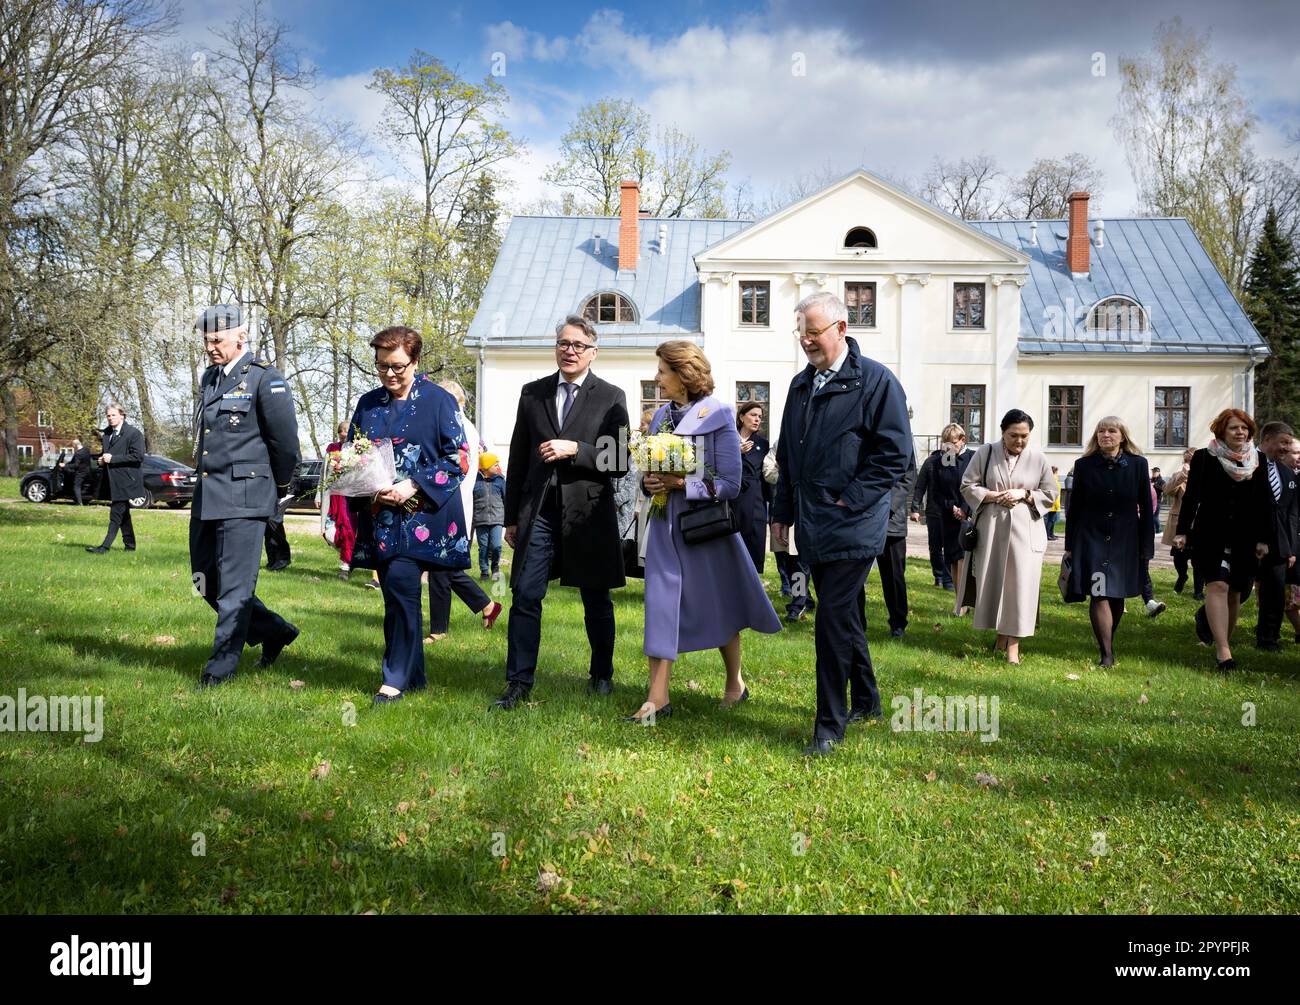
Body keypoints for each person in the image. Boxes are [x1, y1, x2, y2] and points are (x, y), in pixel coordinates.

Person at [771, 291, 913, 757]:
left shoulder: (876, 383)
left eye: (814, 331)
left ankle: (828, 726)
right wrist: (781, 516)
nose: (807, 340)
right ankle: (868, 698)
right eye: (802, 332)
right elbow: (788, 457)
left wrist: (849, 500)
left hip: (854, 525)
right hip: (813, 523)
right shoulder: (799, 386)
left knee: (831, 619)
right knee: (845, 612)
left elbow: (895, 454)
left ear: (842, 328)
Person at [627, 341, 782, 723]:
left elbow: (730, 482)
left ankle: (735, 683)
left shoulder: (719, 415)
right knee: (660, 604)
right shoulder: (661, 415)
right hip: (664, 527)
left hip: (704, 529)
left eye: (663, 371)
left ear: (684, 374)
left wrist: (681, 484)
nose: (657, 377)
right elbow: (651, 469)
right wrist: (652, 481)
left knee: (720, 606)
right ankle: (657, 697)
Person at [498, 314, 629, 710]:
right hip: (538, 511)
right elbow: (517, 456)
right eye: (563, 344)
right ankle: (518, 683)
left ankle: (601, 675)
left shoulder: (611, 396)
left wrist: (577, 450)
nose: (569, 351)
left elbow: (620, 458)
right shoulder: (532, 394)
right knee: (525, 594)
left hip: (586, 513)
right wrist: (510, 516)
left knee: (596, 597)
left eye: (578, 346)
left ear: (593, 352)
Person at [346, 326, 472, 702]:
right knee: (396, 595)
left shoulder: (438, 401)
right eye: (382, 366)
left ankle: (394, 679)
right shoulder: (368, 405)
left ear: (415, 362)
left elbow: (459, 457)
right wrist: (365, 485)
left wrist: (412, 485)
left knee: (401, 588)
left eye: (398, 366)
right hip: (381, 516)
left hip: (423, 515)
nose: (389, 374)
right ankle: (414, 677)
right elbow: (353, 456)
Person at [188, 305, 301, 688]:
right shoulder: (210, 378)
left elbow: (285, 445)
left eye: (217, 339)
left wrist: (280, 491)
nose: (210, 347)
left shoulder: (266, 380)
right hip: (209, 494)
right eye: (206, 340)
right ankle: (274, 630)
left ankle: (219, 669)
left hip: (246, 497)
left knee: (236, 589)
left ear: (241, 336)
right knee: (203, 579)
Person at [955, 409, 1057, 665]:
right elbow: (967, 485)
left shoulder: (1038, 459)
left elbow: (1051, 493)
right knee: (997, 584)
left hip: (1027, 533)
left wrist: (1024, 495)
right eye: (1014, 436)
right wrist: (992, 496)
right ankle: (1001, 638)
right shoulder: (985, 452)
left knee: (1019, 587)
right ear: (1003, 432)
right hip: (992, 532)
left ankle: (1013, 648)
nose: (1019, 441)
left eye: (1024, 436)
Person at [1173, 408, 1273, 671]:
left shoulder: (1258, 459)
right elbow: (1192, 496)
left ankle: (1223, 640)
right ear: (1221, 431)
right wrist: (1182, 531)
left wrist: (1264, 538)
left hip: (1246, 535)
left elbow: (1265, 502)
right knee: (1217, 585)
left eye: (1244, 428)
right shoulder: (1204, 458)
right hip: (1210, 533)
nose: (1240, 432)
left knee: (1236, 592)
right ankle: (1223, 651)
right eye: (1233, 428)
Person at [1061, 417, 1154, 666]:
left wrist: (1146, 546)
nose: (1106, 435)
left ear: (1122, 436)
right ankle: (1107, 654)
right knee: (1099, 592)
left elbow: (1146, 507)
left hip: (1125, 538)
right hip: (1091, 537)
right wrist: (1070, 545)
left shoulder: (1138, 465)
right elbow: (1075, 507)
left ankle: (1107, 639)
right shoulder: (1084, 466)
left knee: (1117, 594)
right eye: (1101, 431)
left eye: (1112, 431)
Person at [423, 379, 503, 644]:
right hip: (452, 506)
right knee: (443, 569)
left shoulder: (458, 426)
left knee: (441, 569)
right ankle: (487, 607)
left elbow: (458, 468)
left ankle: (440, 629)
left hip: (452, 508)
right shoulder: (462, 425)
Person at [910, 423, 973, 591]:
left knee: (961, 555)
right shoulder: (945, 459)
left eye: (951, 443)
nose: (947, 447)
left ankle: (962, 599)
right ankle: (945, 581)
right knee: (947, 552)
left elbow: (975, 486)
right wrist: (952, 506)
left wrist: (964, 509)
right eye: (945, 443)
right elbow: (939, 487)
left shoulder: (973, 458)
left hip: (968, 514)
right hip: (946, 512)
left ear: (962, 440)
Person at [1253, 421, 1298, 652]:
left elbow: (1291, 513)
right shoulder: (1248, 465)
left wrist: (1291, 548)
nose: (1287, 448)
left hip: (1279, 545)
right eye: (1283, 442)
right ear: (1268, 439)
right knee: (1236, 591)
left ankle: (1268, 639)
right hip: (1250, 541)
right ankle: (1207, 622)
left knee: (1275, 594)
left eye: (1289, 443)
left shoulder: (1287, 472)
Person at [870, 449, 918, 638]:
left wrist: (887, 507)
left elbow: (908, 476)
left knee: (894, 574)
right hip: (858, 516)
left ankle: (898, 622)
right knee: (854, 573)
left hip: (891, 519)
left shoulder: (899, 434)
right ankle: (856, 621)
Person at [764, 444, 816, 621]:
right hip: (787, 509)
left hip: (809, 510)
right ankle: (803, 598)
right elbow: (768, 472)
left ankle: (800, 602)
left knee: (801, 563)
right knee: (792, 562)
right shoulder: (782, 443)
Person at [86, 404, 145, 554]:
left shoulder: (134, 433)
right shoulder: (107, 434)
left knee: (116, 513)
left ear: (122, 416)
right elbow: (107, 455)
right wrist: (102, 460)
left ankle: (104, 547)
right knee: (123, 514)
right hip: (112, 480)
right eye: (108, 416)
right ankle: (130, 546)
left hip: (126, 480)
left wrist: (113, 459)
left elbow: (138, 457)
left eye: (113, 415)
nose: (111, 418)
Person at [734, 401, 772, 574]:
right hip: (732, 499)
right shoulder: (727, 440)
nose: (757, 420)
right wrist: (736, 453)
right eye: (753, 415)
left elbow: (766, 474)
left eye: (760, 417)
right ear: (741, 417)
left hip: (755, 500)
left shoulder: (763, 444)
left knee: (754, 545)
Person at [1161, 447, 1202, 599]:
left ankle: (1198, 591)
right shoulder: (1178, 476)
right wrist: (1183, 475)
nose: (1188, 463)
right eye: (1186, 461)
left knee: (1199, 558)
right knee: (1179, 558)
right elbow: (1167, 491)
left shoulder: (1206, 475)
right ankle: (1182, 576)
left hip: (1199, 523)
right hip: (1181, 523)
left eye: (1191, 461)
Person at [322, 421, 358, 581]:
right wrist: (319, 495)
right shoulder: (331, 449)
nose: (344, 433)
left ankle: (345, 566)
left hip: (349, 497)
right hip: (332, 496)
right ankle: (351, 555)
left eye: (347, 431)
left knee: (348, 531)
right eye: (342, 431)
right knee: (328, 533)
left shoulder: (356, 449)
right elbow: (324, 474)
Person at [472, 452, 506, 580]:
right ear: (486, 467)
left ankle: (495, 567)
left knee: (496, 546)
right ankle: (484, 572)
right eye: (495, 465)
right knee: (483, 548)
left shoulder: (500, 481)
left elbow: (506, 499)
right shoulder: (475, 481)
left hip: (497, 518)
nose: (498, 467)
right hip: (480, 519)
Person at [62, 439, 92, 505]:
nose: (73, 447)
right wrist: (67, 464)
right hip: (88, 471)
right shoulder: (86, 450)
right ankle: (84, 500)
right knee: (85, 486)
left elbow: (76, 465)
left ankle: (79, 503)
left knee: (76, 487)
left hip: (80, 472)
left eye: (73, 445)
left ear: (75, 445)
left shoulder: (78, 453)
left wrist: (65, 465)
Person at [1044, 466, 1062, 540]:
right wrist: (1057, 505)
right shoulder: (1055, 481)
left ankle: (1051, 534)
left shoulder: (1050, 480)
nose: (1058, 474)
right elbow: (1056, 495)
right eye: (1057, 472)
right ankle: (1048, 535)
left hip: (1052, 504)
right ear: (1054, 472)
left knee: (1051, 520)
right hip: (1054, 504)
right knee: (1051, 520)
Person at [1151, 467, 1166, 534]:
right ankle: (1156, 530)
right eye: (1152, 472)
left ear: (1158, 473)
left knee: (1154, 516)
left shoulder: (1161, 481)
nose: (1153, 473)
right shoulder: (1151, 480)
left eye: (1155, 472)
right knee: (1151, 516)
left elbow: (1164, 489)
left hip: (1157, 501)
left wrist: (1155, 485)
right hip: (1151, 500)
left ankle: (1159, 530)